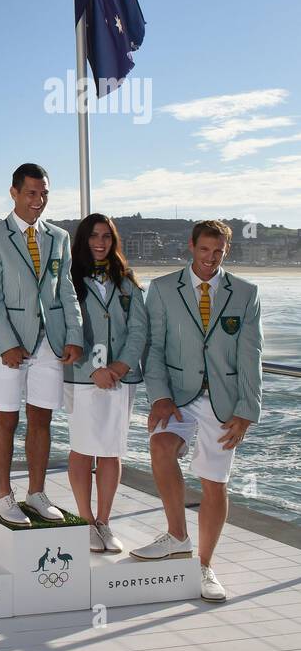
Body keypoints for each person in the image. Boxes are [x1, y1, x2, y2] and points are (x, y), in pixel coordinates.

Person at [133, 220, 262, 603]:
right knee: (161, 448)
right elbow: (153, 348)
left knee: (214, 483)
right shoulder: (161, 289)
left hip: (224, 401)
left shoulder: (246, 292)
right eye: (204, 250)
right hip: (177, 396)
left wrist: (247, 410)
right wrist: (159, 397)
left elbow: (251, 354)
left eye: (218, 251)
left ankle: (204, 566)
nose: (210, 258)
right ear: (191, 246)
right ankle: (177, 537)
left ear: (227, 251)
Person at [0, 163, 83, 525]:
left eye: (44, 194)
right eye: (32, 193)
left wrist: (73, 335)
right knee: (6, 419)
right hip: (9, 348)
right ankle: (3, 496)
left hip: (50, 345)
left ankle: (36, 493)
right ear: (14, 193)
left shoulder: (59, 237)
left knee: (42, 420)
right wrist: (6, 342)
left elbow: (65, 289)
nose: (39, 200)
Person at [65, 214, 148, 554]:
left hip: (120, 378)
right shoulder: (68, 280)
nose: (100, 242)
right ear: (83, 240)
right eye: (93, 236)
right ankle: (84, 521)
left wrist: (118, 366)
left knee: (111, 451)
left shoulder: (127, 281)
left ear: (114, 241)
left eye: (106, 237)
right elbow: (65, 331)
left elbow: (139, 329)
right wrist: (92, 369)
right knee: (84, 448)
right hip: (83, 378)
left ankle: (104, 520)